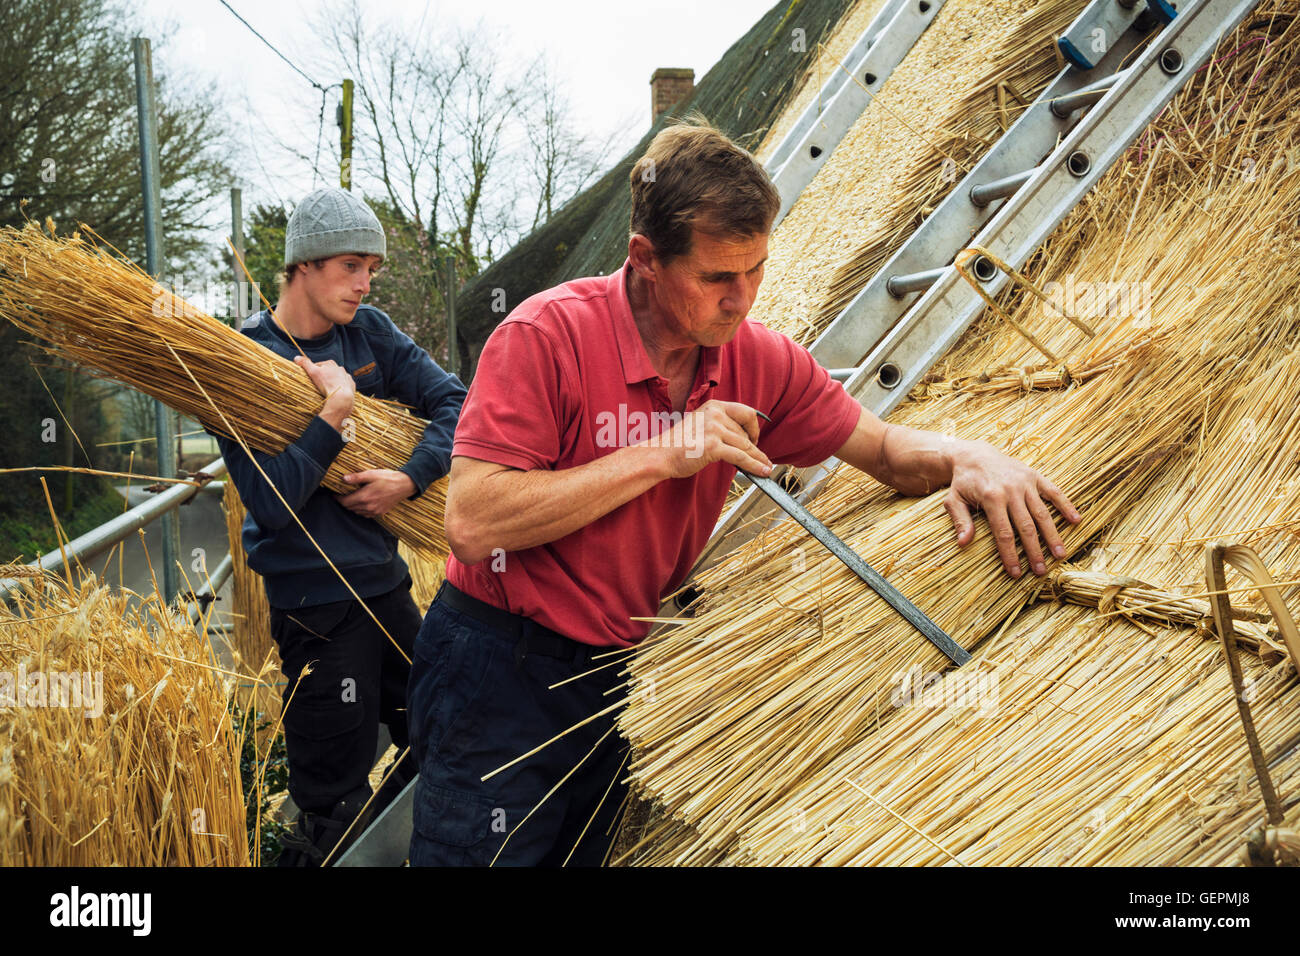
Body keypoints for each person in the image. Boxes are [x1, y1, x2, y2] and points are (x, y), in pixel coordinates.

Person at [405, 119, 1081, 867]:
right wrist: (664, 452)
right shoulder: (545, 337)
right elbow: (471, 520)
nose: (743, 299)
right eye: (718, 278)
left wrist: (969, 456)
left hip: (615, 673)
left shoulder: (757, 361)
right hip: (499, 664)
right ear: (645, 260)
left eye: (756, 269)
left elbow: (884, 450)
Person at [212, 187, 466, 866]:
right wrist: (334, 413)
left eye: (372, 270)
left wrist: (409, 477)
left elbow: (455, 402)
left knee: (442, 729)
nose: (364, 282)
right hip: (317, 609)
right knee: (332, 797)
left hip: (384, 586)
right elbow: (271, 501)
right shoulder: (241, 360)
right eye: (352, 265)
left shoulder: (371, 334)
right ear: (304, 265)